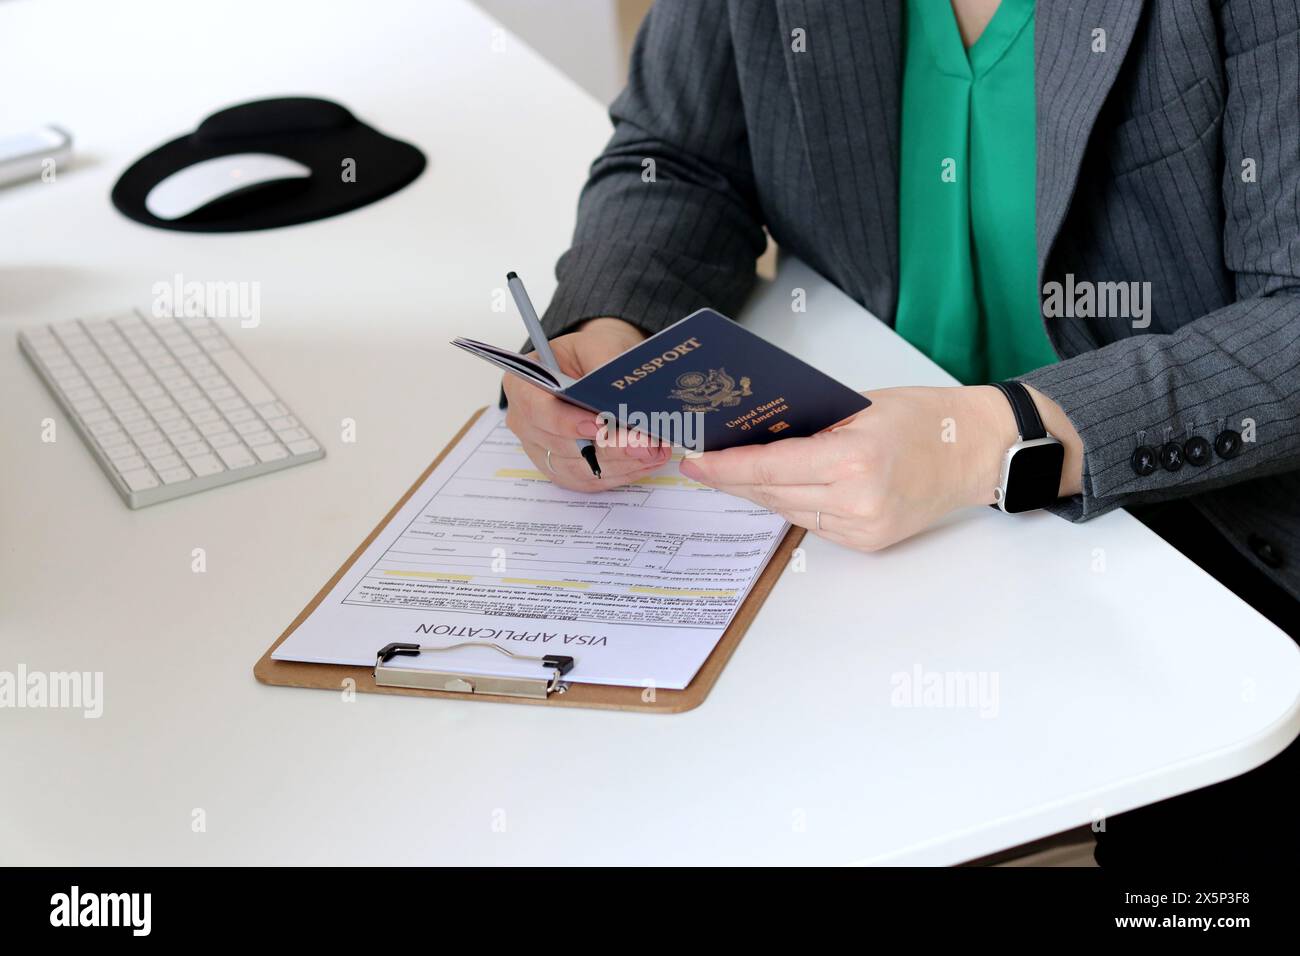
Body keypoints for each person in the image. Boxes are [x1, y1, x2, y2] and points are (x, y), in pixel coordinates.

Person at [501, 0, 1300, 866]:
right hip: (858, 534)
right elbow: (681, 159)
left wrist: (988, 439)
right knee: (656, 801)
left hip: (1202, 530)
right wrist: (613, 323)